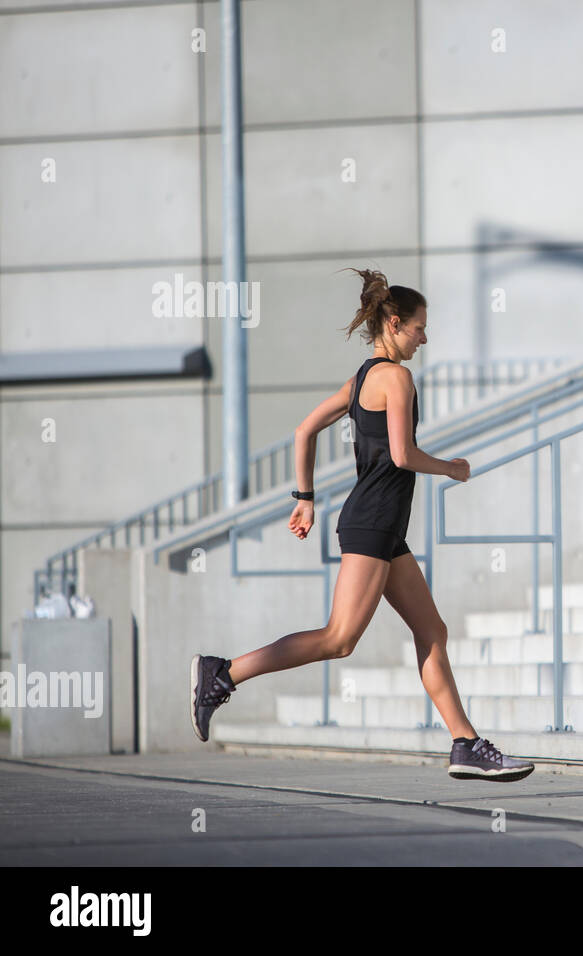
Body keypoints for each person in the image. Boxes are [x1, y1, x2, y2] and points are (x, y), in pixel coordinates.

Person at [190, 267, 534, 782]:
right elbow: (402, 453)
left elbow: (303, 430)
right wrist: (451, 467)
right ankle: (224, 672)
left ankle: (465, 744)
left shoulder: (361, 379)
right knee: (339, 639)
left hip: (382, 528)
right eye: (420, 327)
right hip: (373, 524)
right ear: (395, 323)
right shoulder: (395, 377)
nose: (425, 337)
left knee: (431, 630)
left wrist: (305, 497)